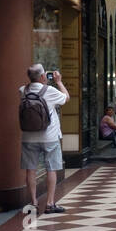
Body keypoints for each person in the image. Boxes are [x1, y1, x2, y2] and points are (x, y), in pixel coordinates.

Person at [19, 63, 69, 215]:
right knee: (51, 168)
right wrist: (59, 81)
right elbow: (66, 98)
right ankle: (49, 203)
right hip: (49, 137)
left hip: (28, 136)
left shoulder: (22, 90)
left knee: (31, 169)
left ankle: (33, 202)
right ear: (42, 76)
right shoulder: (50, 90)